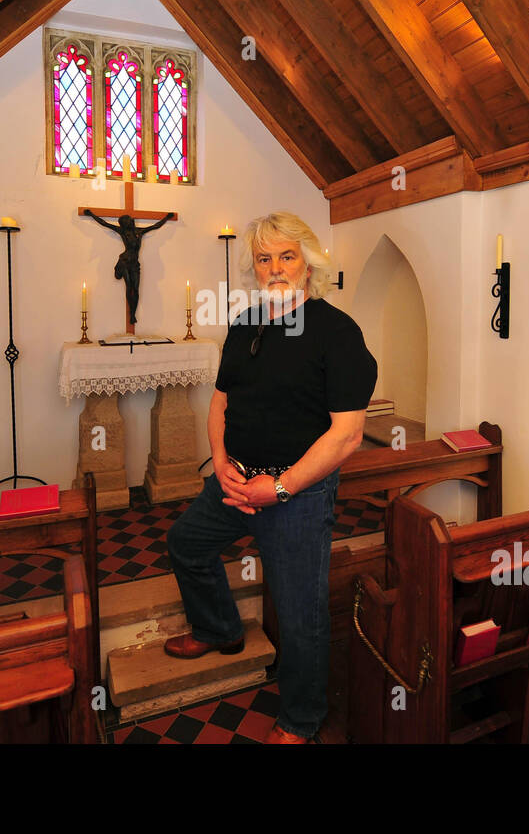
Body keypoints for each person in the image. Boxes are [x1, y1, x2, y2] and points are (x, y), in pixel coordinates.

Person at [165, 212, 377, 743]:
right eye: (265, 259)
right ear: (255, 268)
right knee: (185, 543)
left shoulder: (337, 332)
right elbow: (220, 402)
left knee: (300, 612)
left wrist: (280, 487)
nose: (275, 268)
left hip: (297, 496)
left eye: (287, 256)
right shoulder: (244, 325)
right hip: (235, 484)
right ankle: (219, 628)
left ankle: (301, 719)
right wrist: (220, 462)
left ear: (308, 265)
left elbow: (347, 435)